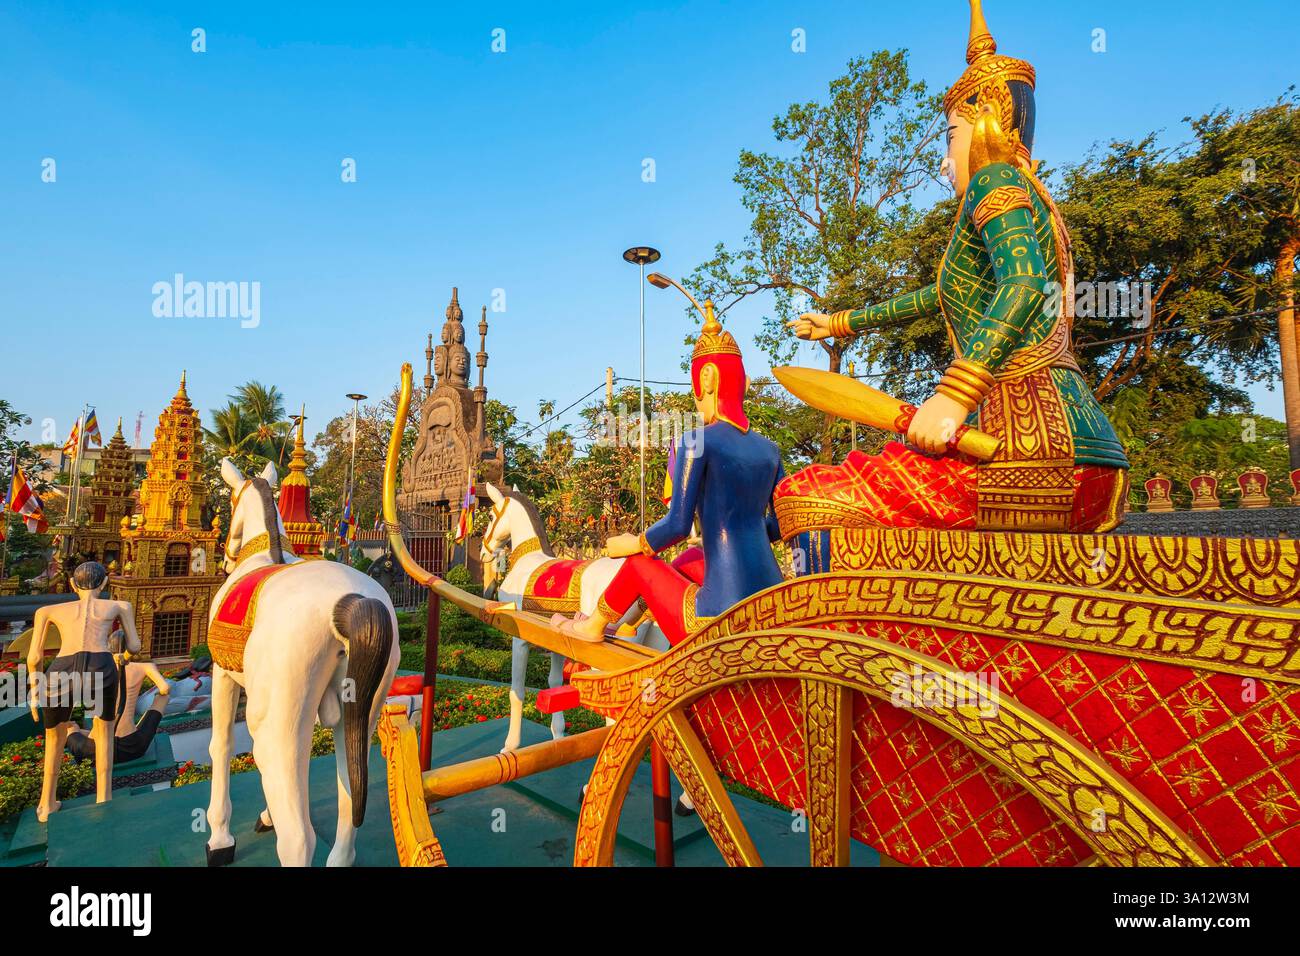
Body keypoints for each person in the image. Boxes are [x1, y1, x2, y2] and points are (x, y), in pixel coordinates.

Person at [784, 0, 1128, 535]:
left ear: (987, 122)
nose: (946, 161)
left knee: (806, 496)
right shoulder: (1031, 198)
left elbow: (1025, 283)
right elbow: (932, 296)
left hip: (1032, 452)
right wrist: (839, 323)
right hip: (1083, 452)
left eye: (950, 138)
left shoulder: (995, 182)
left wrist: (952, 397)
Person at [555, 304, 784, 645]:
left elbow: (678, 524)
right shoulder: (770, 450)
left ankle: (592, 628)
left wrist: (634, 542)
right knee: (692, 556)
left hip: (721, 610)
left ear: (705, 379)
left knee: (638, 563)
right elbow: (781, 524)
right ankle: (628, 623)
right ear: (744, 383)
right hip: (770, 598)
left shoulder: (697, 441)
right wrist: (742, 532)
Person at [27, 561, 141, 821]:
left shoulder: (48, 610)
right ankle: (104, 799)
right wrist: (121, 656)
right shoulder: (119, 605)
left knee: (54, 738)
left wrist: (35, 692)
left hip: (61, 666)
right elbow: (134, 645)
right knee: (104, 734)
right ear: (104, 584)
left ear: (72, 584)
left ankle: (46, 804)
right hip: (101, 663)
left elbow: (34, 657)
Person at [61, 660, 171, 765]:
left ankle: (77, 731)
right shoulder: (144, 666)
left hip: (95, 750)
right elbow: (165, 688)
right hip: (133, 746)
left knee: (71, 727)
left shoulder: (93, 667)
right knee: (163, 697)